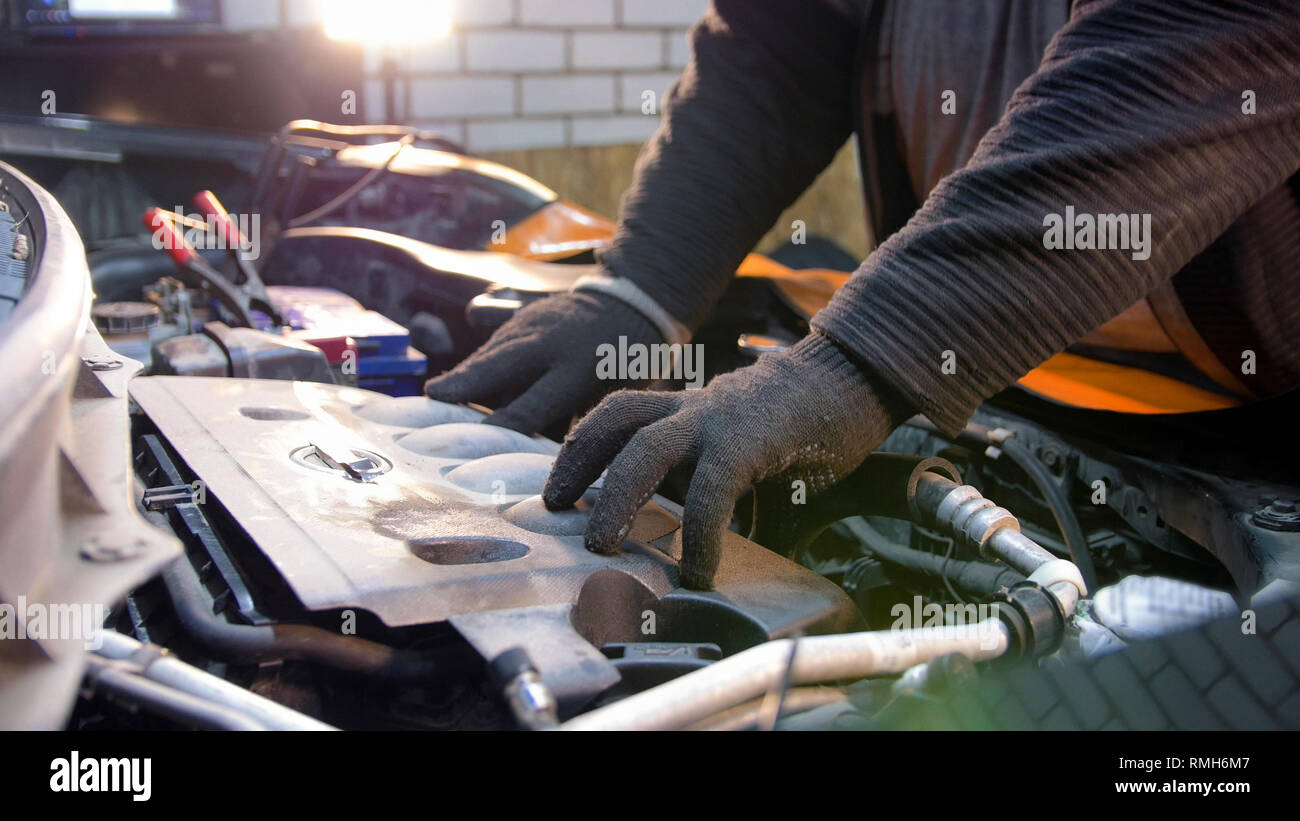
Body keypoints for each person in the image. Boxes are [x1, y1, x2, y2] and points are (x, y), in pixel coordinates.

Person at [425, 0, 1300, 590]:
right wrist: (639, 291)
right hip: (985, 380)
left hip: (1261, 427)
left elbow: (1194, 44)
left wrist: (858, 363)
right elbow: (783, 41)